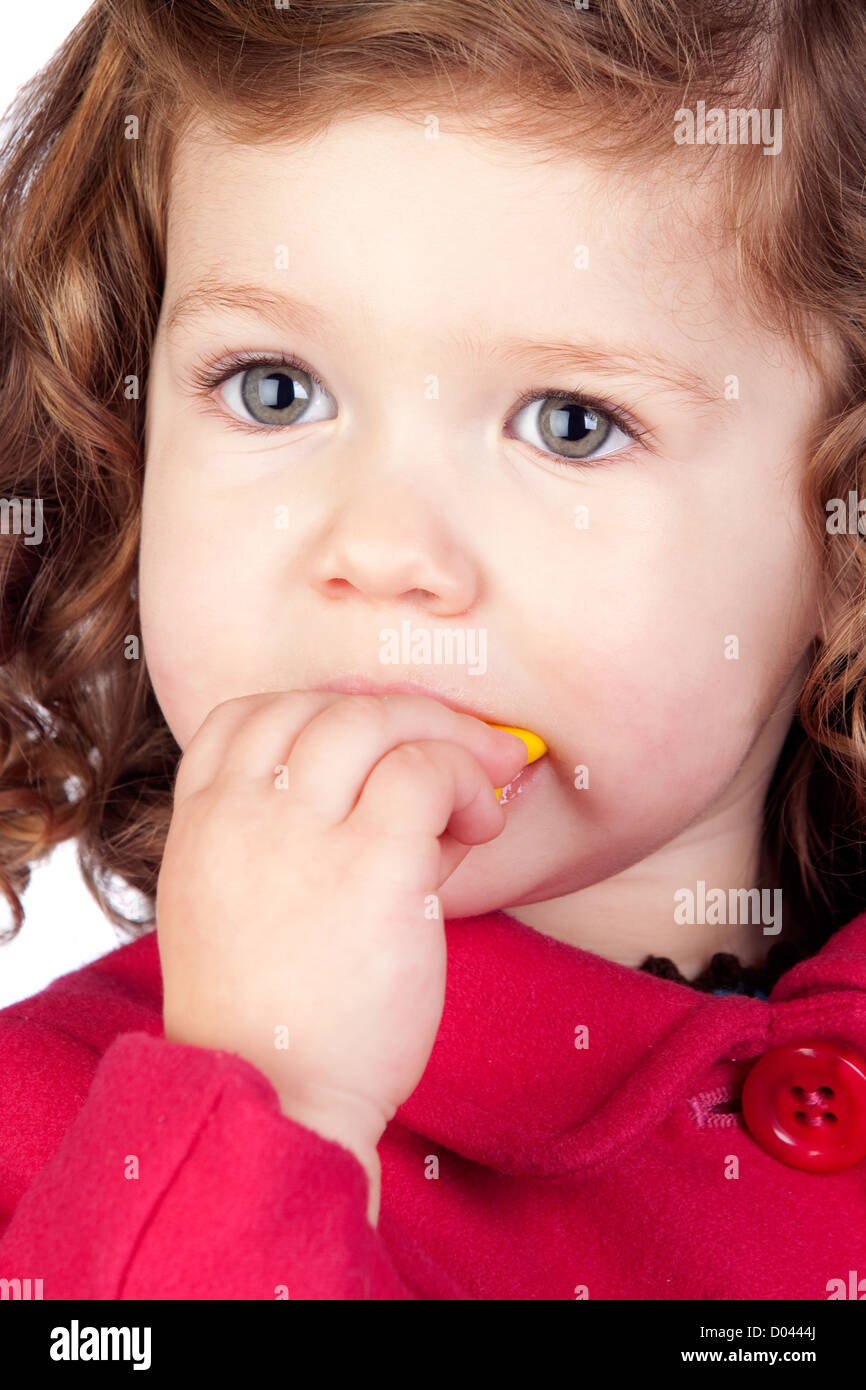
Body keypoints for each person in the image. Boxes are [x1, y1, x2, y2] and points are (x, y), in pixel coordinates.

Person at [1, 0, 865, 1300]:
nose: (382, 548)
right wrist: (269, 1104)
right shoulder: (58, 1138)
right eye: (273, 388)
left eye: (570, 423)